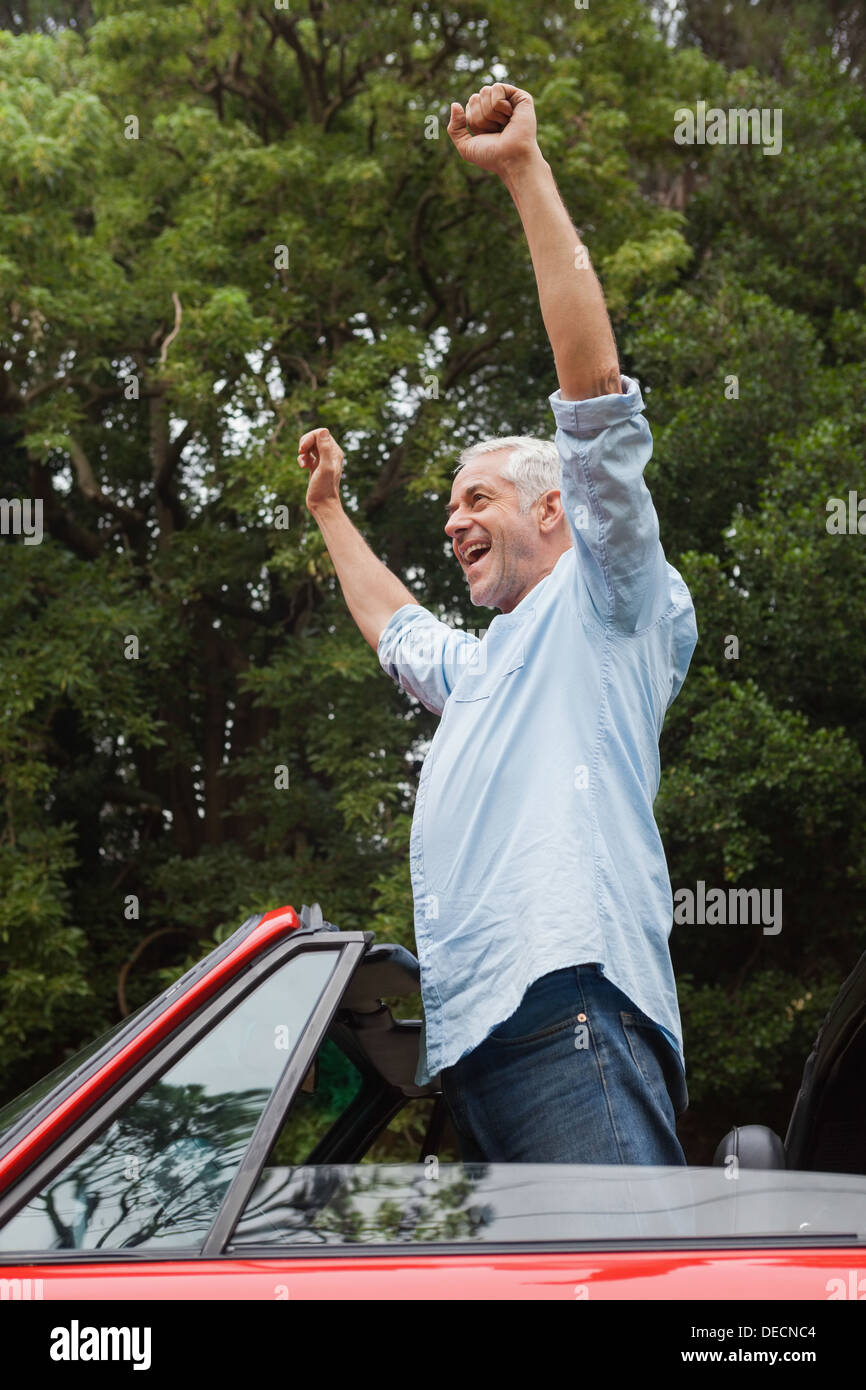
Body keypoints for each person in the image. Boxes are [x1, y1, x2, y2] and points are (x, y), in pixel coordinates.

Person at [298, 83, 697, 1165]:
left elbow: (595, 398)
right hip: (472, 1057)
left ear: (555, 509)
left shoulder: (608, 599)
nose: (453, 515)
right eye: (450, 504)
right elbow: (391, 623)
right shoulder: (480, 673)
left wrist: (522, 170)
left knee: (622, 1291)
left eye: (477, 496)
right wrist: (329, 511)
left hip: (572, 1013)